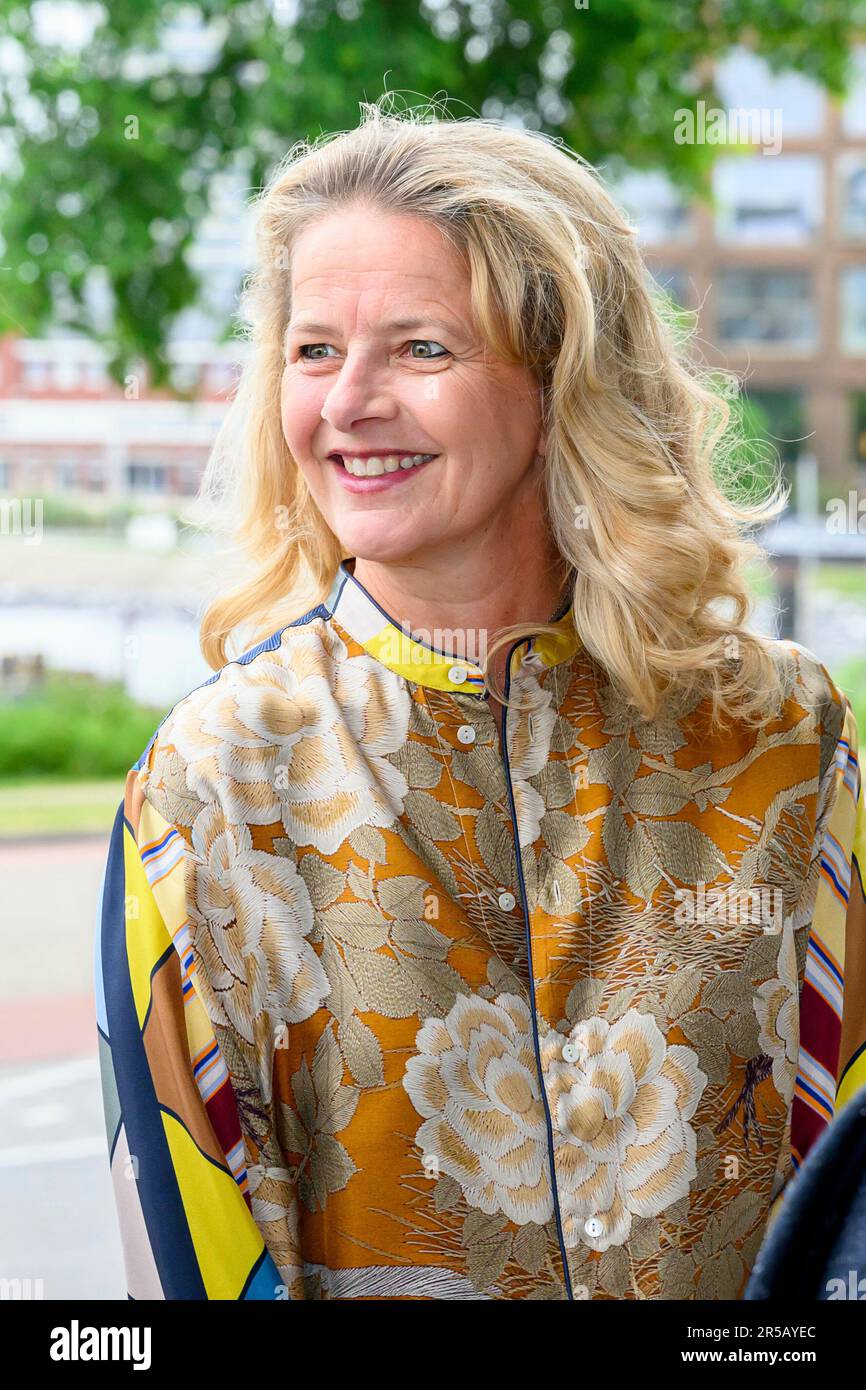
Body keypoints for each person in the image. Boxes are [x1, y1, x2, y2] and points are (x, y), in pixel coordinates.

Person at [94, 98, 866, 1302]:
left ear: (561, 379)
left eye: (420, 347)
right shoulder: (208, 786)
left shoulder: (783, 743)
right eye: (312, 350)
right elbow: (185, 1265)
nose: (347, 402)